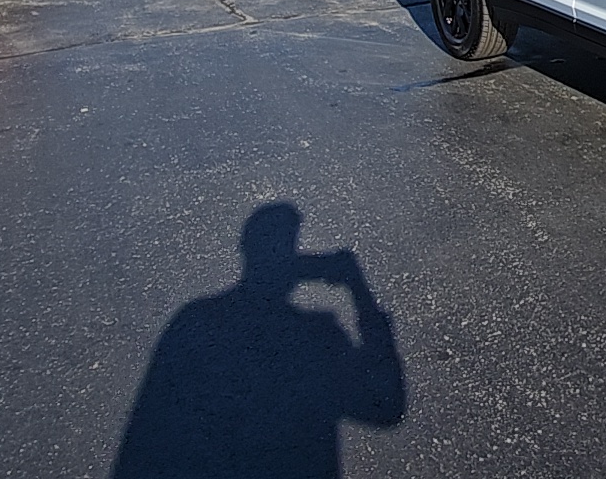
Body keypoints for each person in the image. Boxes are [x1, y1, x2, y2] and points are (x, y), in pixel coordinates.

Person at [111, 203, 405, 478]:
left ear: (245, 251)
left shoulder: (196, 321)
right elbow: (384, 405)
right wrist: (359, 290)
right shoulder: (315, 336)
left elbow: (143, 437)